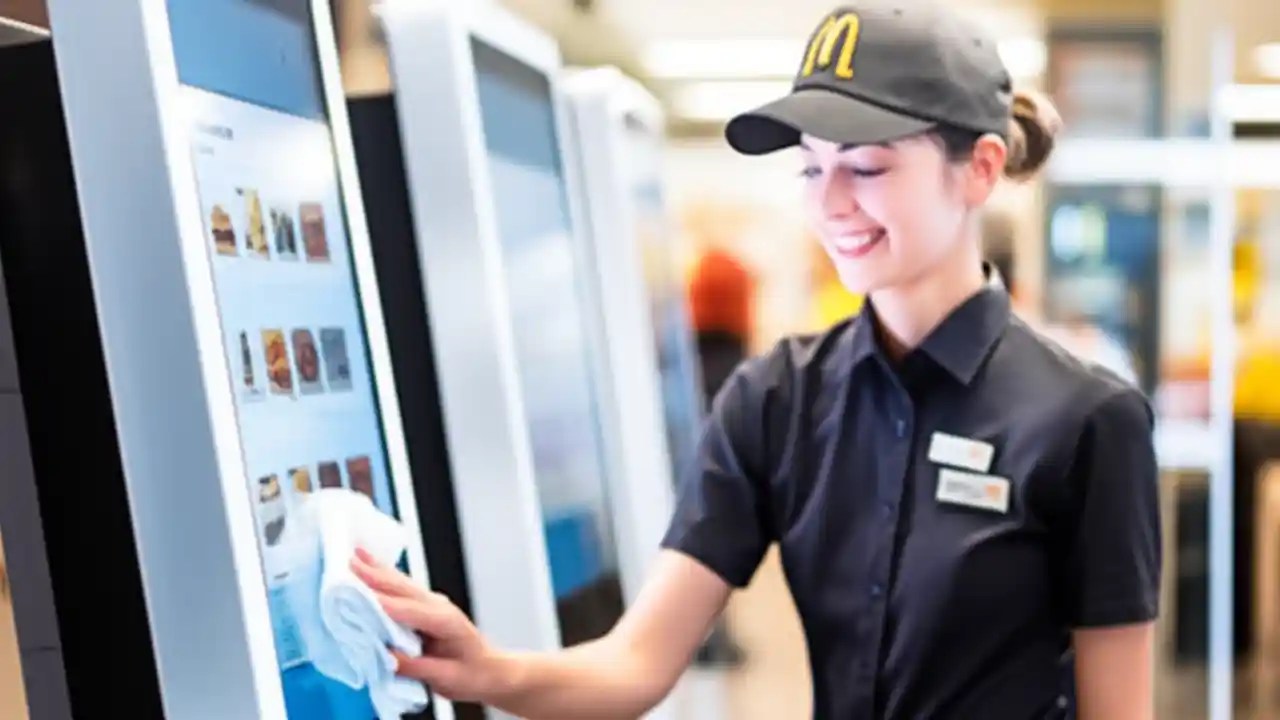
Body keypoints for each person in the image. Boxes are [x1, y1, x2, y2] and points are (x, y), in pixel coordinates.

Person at [352, 3, 1162, 718]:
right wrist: (488, 671)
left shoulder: (1086, 420)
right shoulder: (777, 399)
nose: (831, 204)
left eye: (868, 167)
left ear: (980, 168)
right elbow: (635, 665)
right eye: (813, 167)